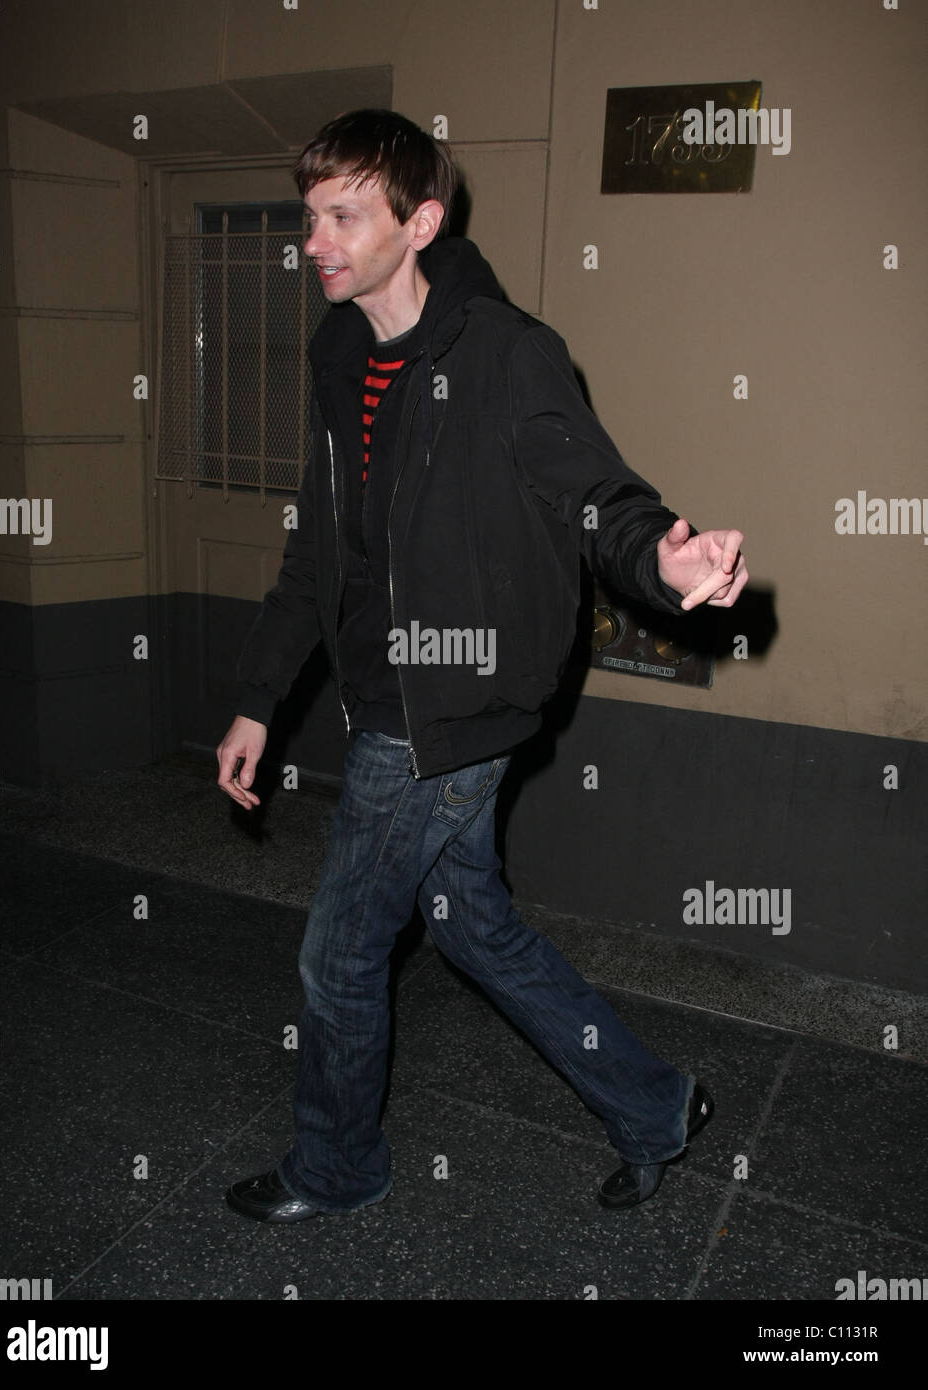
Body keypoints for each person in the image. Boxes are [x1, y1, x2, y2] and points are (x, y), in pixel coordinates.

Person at [216, 108, 747, 1225]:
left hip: (447, 709)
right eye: (308, 215)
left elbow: (591, 494)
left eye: (342, 215)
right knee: (472, 927)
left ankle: (335, 1167)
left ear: (420, 221)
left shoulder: (504, 351)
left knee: (338, 958)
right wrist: (261, 695)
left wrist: (660, 551)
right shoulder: (339, 352)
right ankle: (654, 1105)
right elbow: (317, 542)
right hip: (390, 696)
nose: (313, 239)